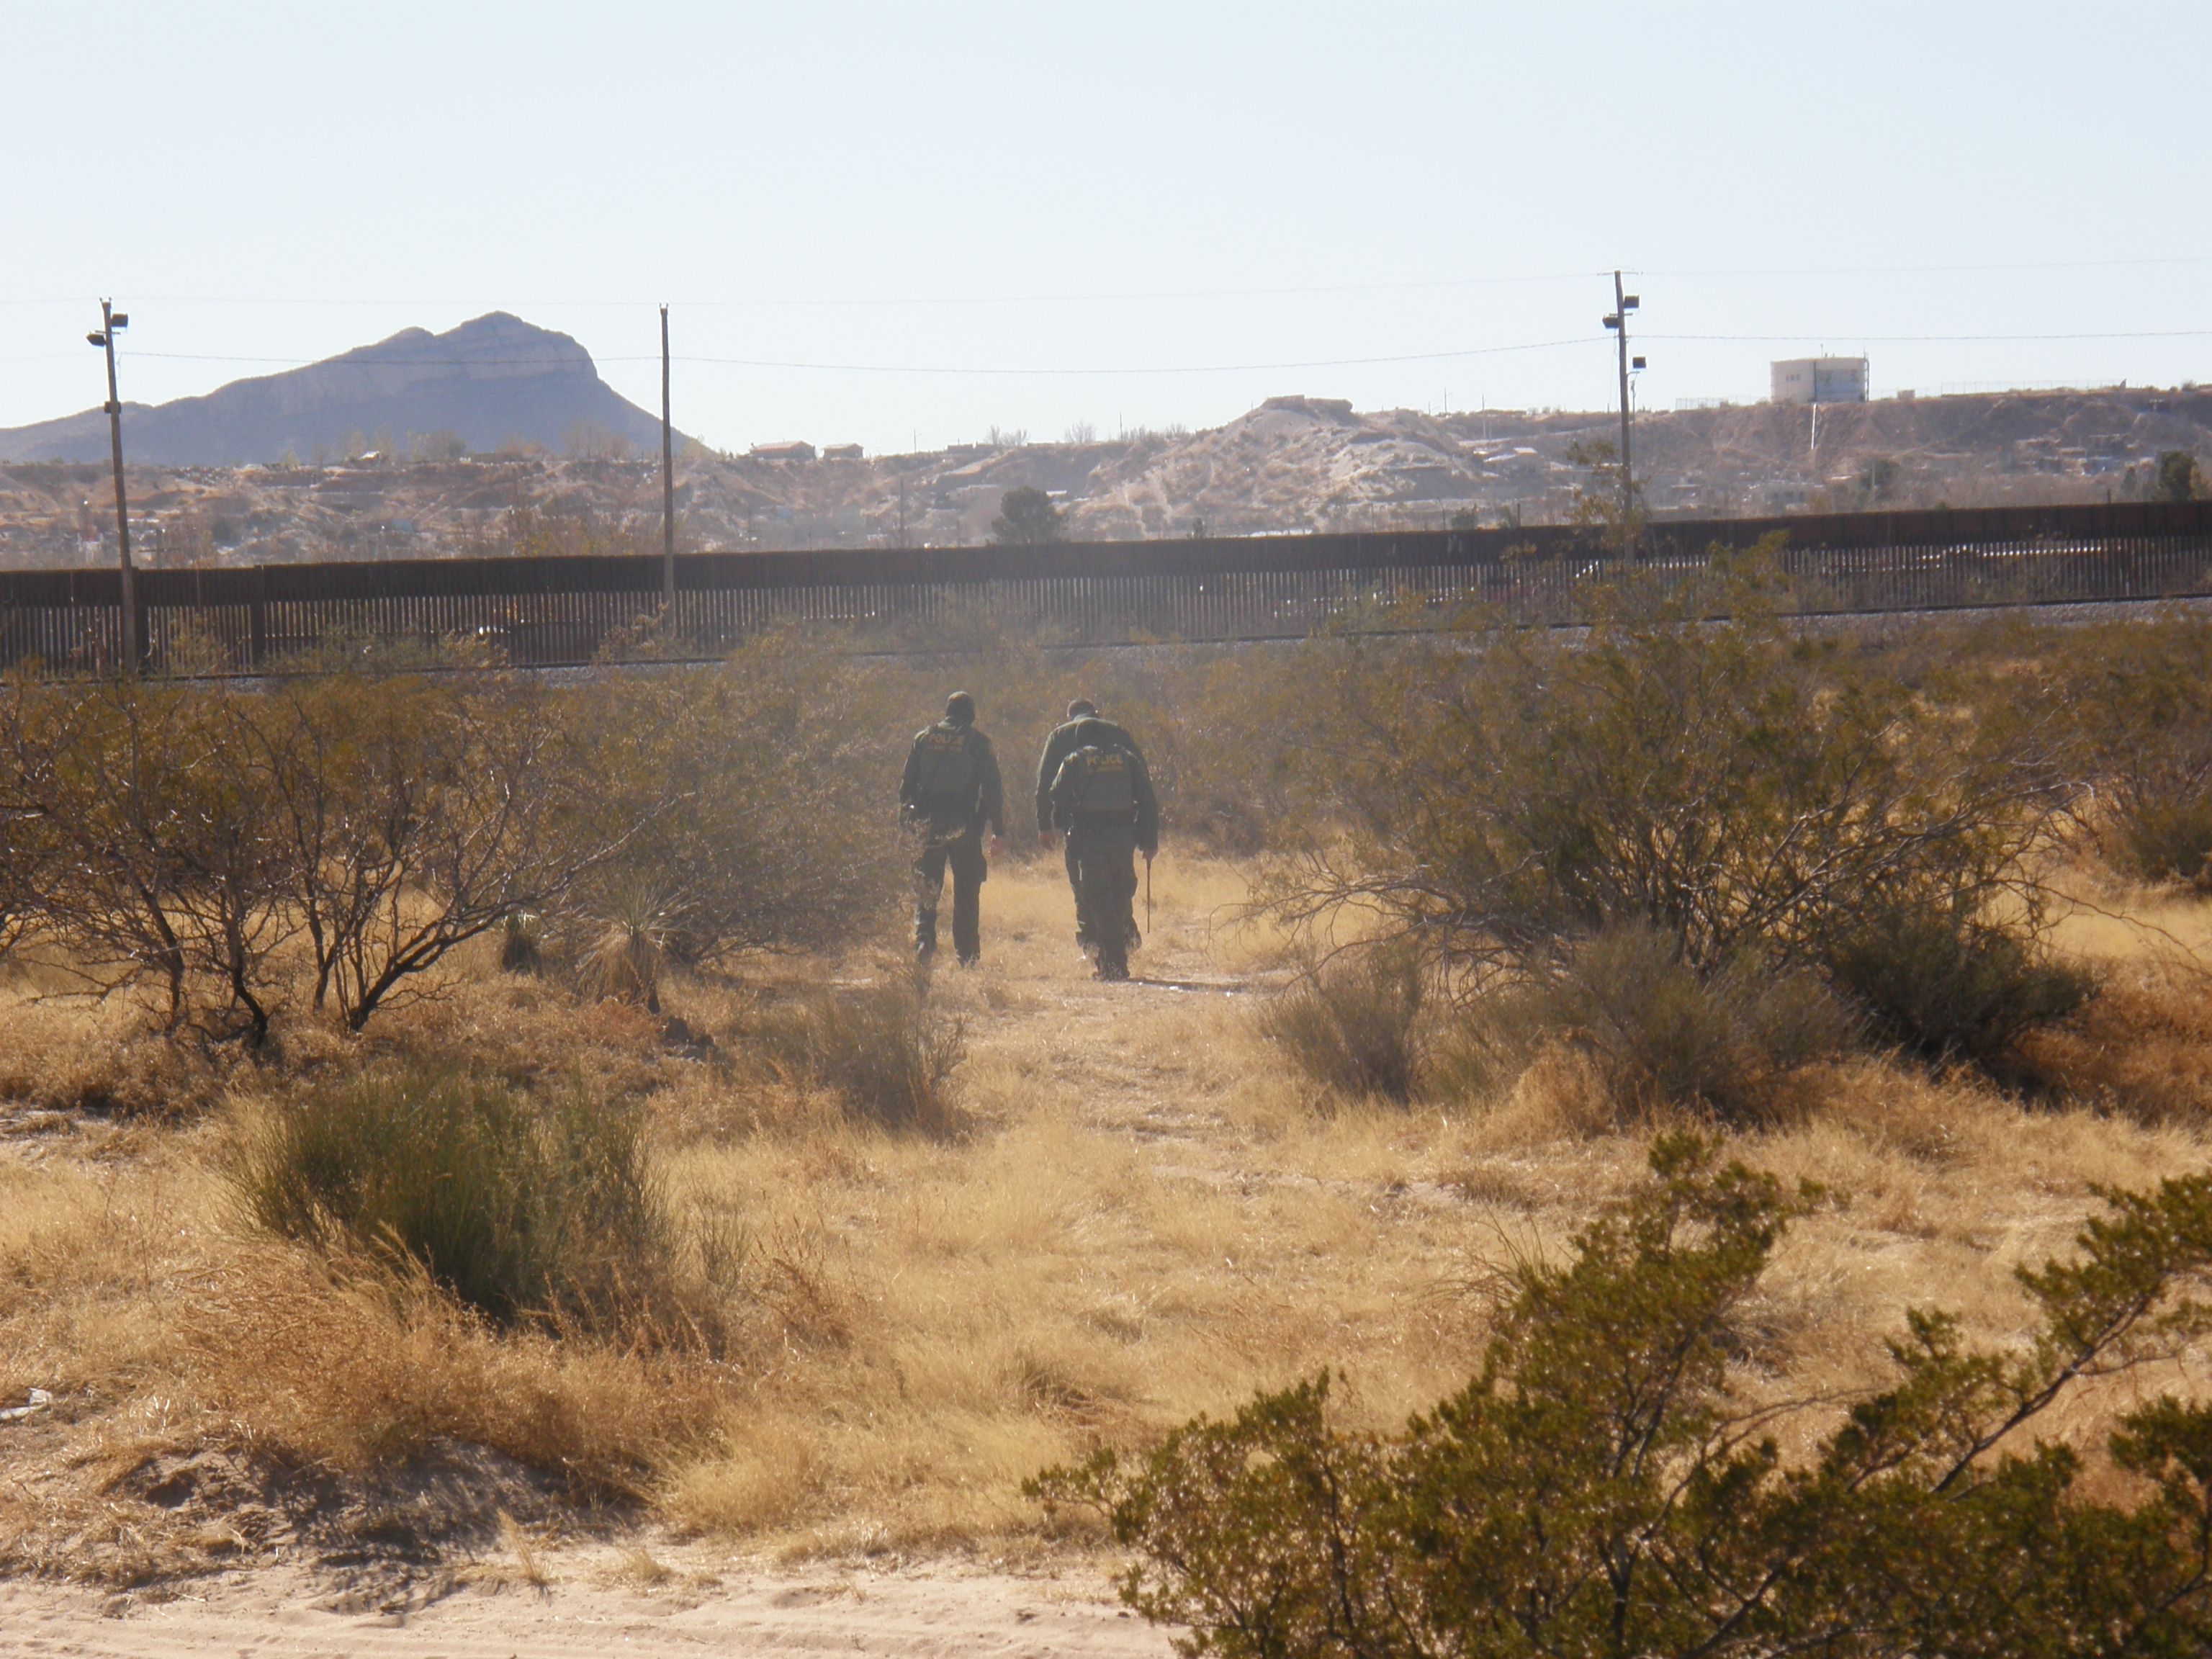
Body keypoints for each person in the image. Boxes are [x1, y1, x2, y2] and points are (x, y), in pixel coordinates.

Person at [1047, 715, 1160, 981]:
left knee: (1098, 898)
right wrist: (1150, 841)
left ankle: (1114, 964)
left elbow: (1056, 793)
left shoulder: (1074, 760)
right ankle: (1117, 956)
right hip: (1123, 837)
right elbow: (1147, 800)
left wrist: (1063, 821)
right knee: (1121, 894)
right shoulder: (1127, 759)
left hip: (1090, 838)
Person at [899, 691, 1004, 966]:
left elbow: (906, 788)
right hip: (964, 825)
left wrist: (907, 828)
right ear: (971, 714)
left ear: (947, 712)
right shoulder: (978, 742)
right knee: (967, 890)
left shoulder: (923, 738)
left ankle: (924, 940)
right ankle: (967, 955)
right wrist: (999, 829)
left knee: (927, 887)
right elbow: (992, 790)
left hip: (927, 825)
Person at [1034, 697, 1142, 949]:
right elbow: (1141, 777)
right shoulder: (1117, 731)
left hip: (1079, 829)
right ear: (1096, 713)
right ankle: (1126, 935)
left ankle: (1091, 942)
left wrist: (1045, 825)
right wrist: (1146, 829)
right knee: (1120, 881)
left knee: (1082, 885)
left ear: (1070, 716)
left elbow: (1044, 786)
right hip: (1123, 827)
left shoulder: (1059, 736)